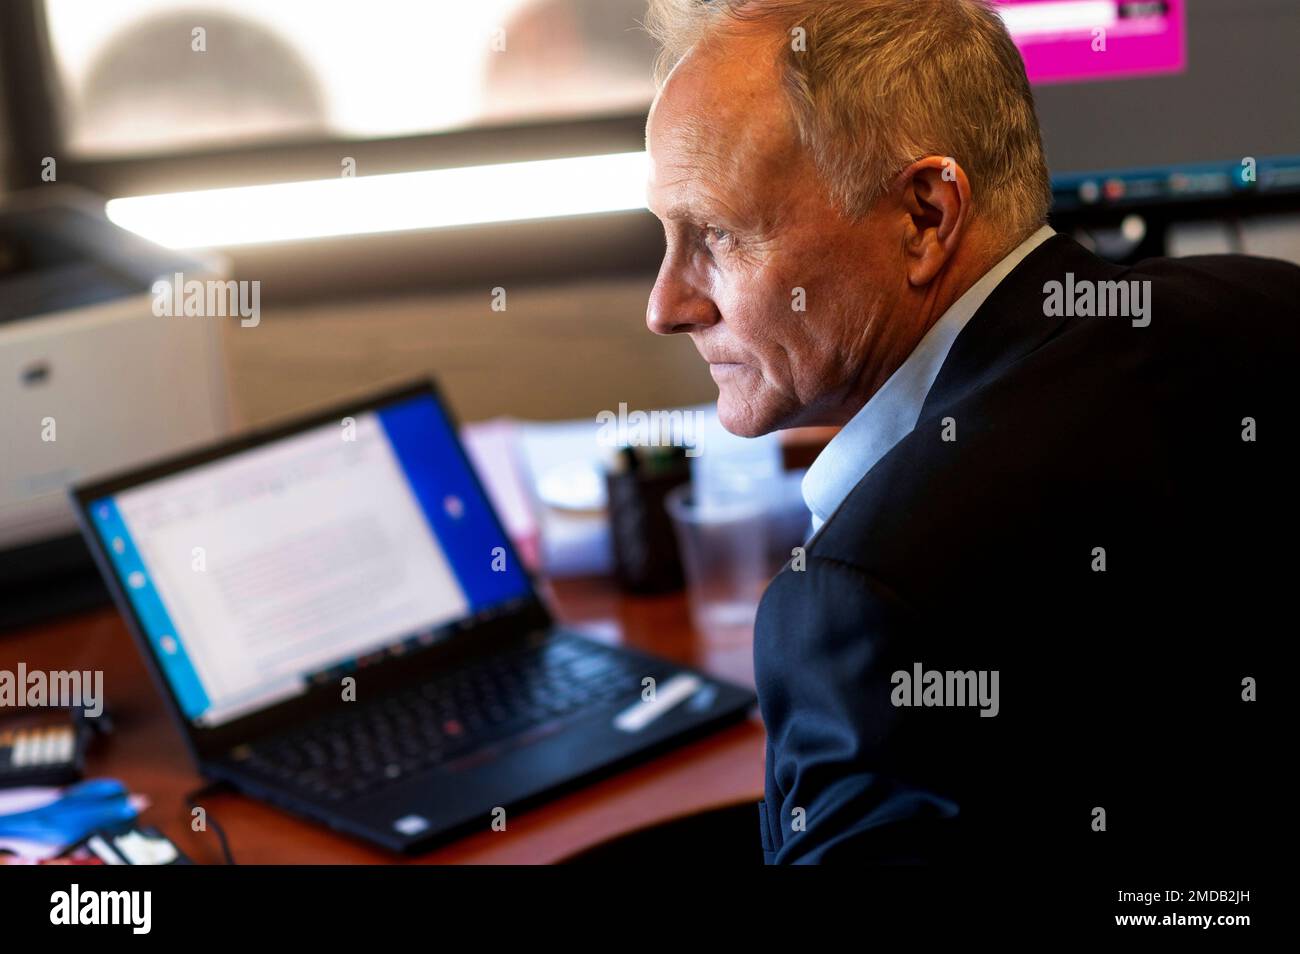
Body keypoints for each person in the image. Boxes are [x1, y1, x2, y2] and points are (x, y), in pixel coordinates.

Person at [642, 0, 1296, 863]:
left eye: (718, 235)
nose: (666, 307)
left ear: (925, 216)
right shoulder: (1269, 302)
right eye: (666, 238)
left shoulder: (865, 597)